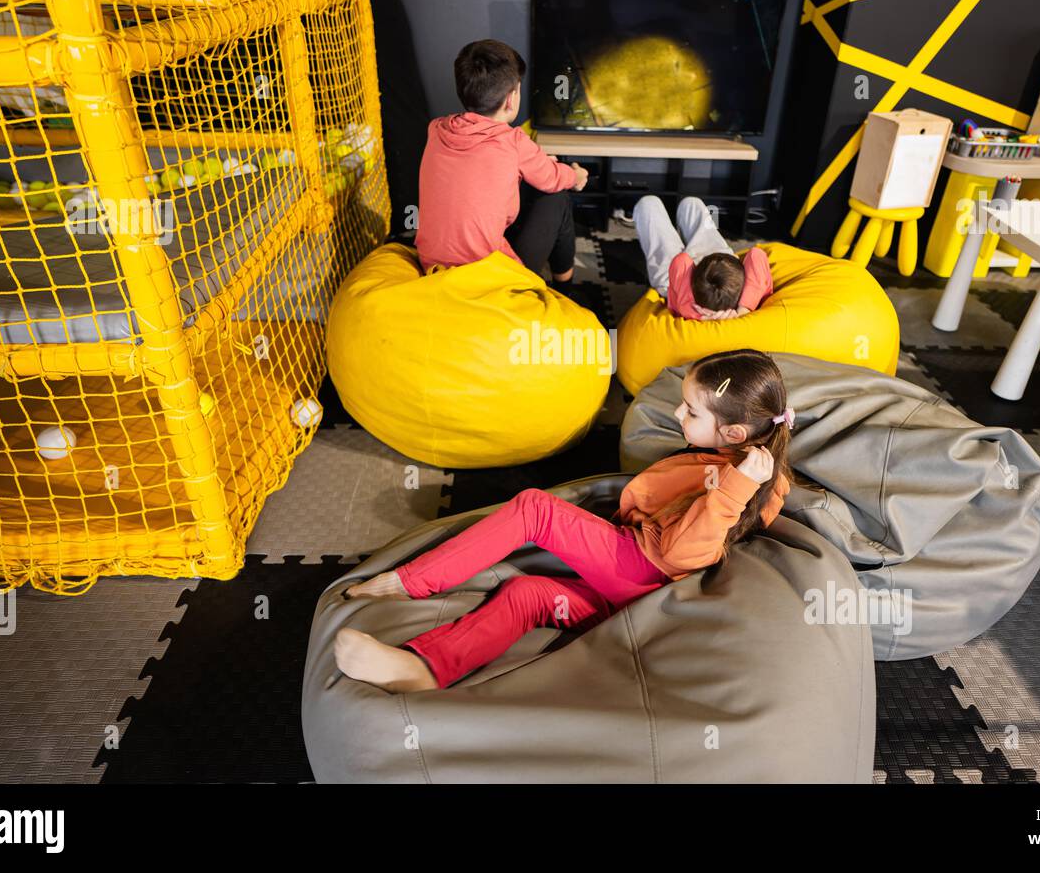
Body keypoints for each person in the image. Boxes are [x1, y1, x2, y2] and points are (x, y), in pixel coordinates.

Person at [333, 349, 795, 692]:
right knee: (526, 594)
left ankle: (410, 582)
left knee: (535, 509)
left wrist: (735, 488)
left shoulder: (741, 481)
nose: (676, 414)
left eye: (690, 411)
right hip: (631, 598)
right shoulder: (741, 456)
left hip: (641, 567)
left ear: (734, 433)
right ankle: (424, 669)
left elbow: (681, 551)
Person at [414, 39, 588, 286]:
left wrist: (532, 164)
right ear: (511, 99)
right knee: (557, 199)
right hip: (487, 279)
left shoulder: (436, 129)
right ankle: (564, 293)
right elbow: (553, 179)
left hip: (431, 265)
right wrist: (577, 175)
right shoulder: (514, 141)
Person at [634, 194, 773, 320]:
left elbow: (680, 262)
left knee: (647, 204)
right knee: (691, 203)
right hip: (720, 269)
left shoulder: (689, 309)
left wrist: (696, 315)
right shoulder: (747, 304)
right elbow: (757, 255)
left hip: (673, 281)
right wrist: (744, 309)